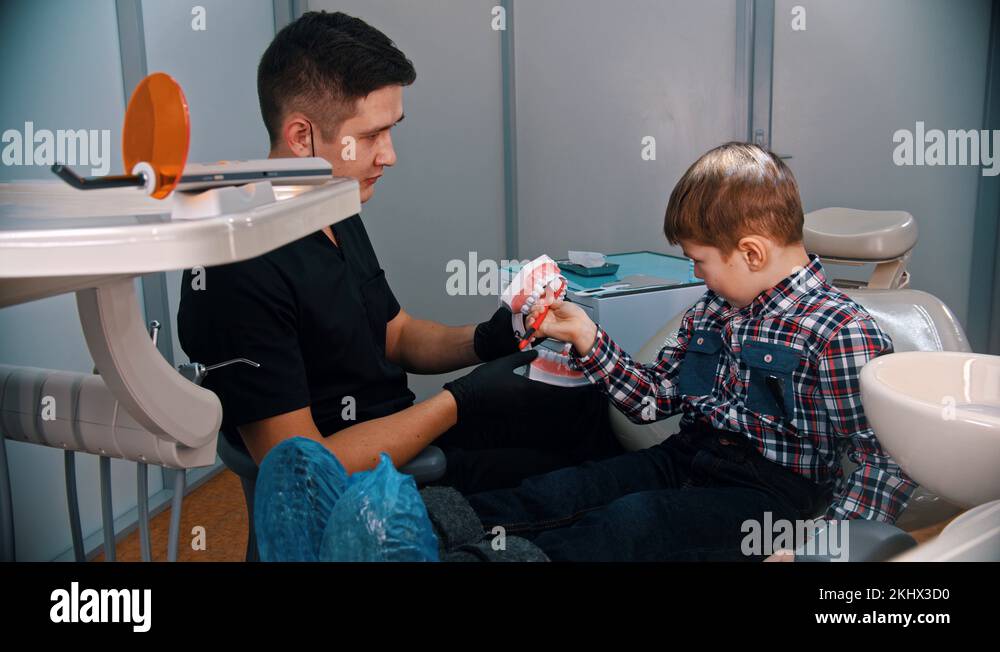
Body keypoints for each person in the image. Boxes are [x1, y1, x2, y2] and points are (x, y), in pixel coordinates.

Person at [178, 10, 622, 496]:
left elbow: (395, 333)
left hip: (402, 440)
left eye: (391, 131)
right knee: (587, 484)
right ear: (302, 137)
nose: (389, 155)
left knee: (588, 414)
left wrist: (491, 336)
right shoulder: (239, 265)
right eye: (371, 136)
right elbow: (300, 466)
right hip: (366, 490)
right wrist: (460, 401)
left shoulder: (332, 202)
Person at [437, 142, 918, 561]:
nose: (698, 274)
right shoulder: (713, 308)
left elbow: (887, 462)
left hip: (769, 497)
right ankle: (425, 529)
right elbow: (654, 400)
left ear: (750, 253)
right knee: (562, 490)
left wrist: (819, 552)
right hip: (687, 457)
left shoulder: (842, 332)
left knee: (627, 527)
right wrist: (587, 335)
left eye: (699, 261)